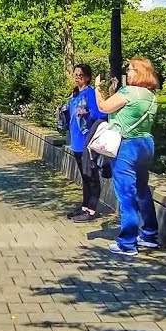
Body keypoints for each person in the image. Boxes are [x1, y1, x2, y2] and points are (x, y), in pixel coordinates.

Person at [94, 57, 159, 256]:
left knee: (126, 194)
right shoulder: (151, 96)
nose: (127, 73)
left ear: (139, 73)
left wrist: (97, 88)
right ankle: (149, 235)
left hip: (126, 146)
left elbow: (104, 108)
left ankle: (127, 243)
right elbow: (124, 111)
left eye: (130, 70)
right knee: (142, 191)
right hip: (146, 144)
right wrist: (114, 91)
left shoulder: (129, 92)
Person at [65, 64, 107, 222]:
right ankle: (84, 207)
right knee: (84, 176)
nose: (77, 78)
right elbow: (71, 115)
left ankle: (91, 210)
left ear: (88, 77)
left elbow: (100, 114)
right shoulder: (75, 94)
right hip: (76, 142)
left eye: (80, 75)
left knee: (92, 177)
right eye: (75, 75)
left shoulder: (90, 93)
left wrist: (87, 113)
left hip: (87, 142)